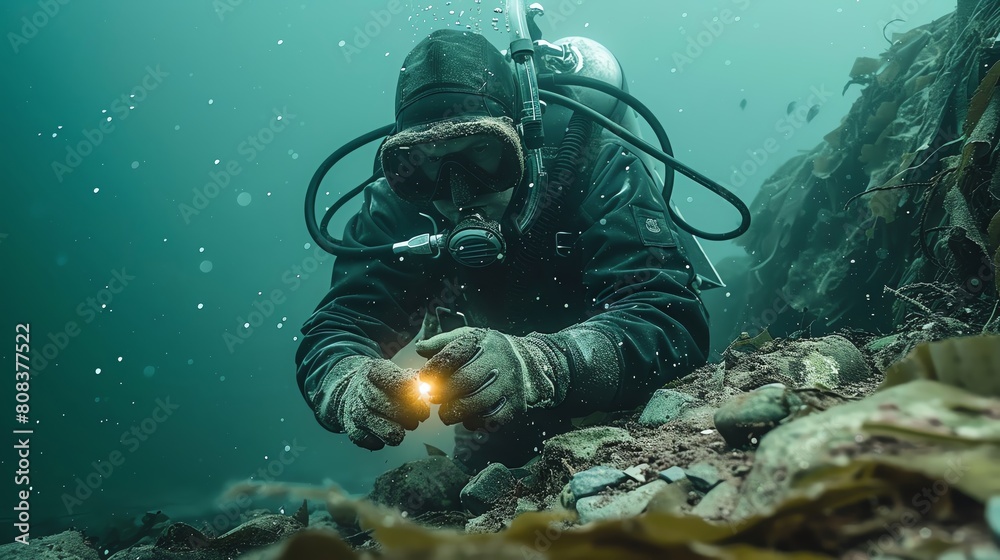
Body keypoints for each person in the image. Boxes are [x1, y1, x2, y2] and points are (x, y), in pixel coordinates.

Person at [295, 28, 710, 473]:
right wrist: (345, 381)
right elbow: (342, 323)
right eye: (431, 162)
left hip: (628, 396)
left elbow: (670, 319)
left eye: (482, 152)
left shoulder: (596, 166)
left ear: (521, 140)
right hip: (491, 399)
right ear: (404, 162)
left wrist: (545, 365)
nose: (459, 193)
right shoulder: (399, 208)